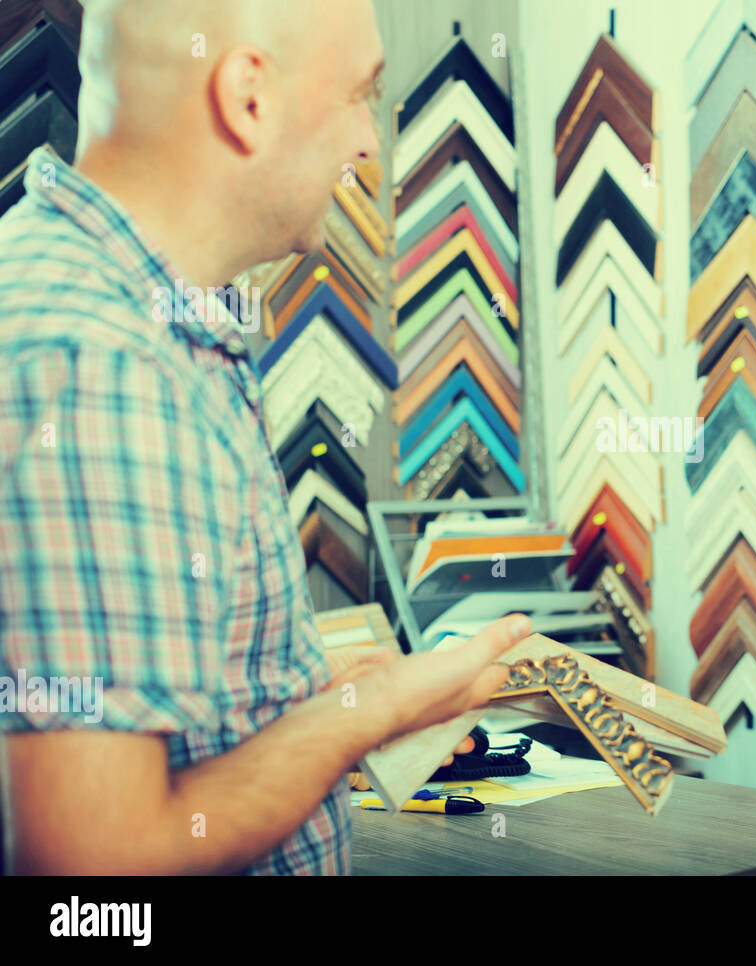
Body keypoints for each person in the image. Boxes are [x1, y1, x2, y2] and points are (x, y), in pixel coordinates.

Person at [0, 0, 529, 874]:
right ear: (248, 96)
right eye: (362, 94)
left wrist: (313, 697)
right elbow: (94, 875)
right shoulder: (102, 364)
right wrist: (371, 711)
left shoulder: (128, 318)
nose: (369, 140)